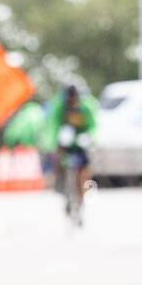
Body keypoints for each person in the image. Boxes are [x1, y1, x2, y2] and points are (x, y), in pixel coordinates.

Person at [42, 83, 98, 220]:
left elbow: (93, 125)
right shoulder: (60, 108)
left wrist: (89, 137)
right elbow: (53, 126)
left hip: (80, 143)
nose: (72, 101)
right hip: (65, 142)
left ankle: (83, 195)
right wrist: (52, 144)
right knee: (58, 160)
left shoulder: (85, 108)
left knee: (84, 171)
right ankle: (61, 186)